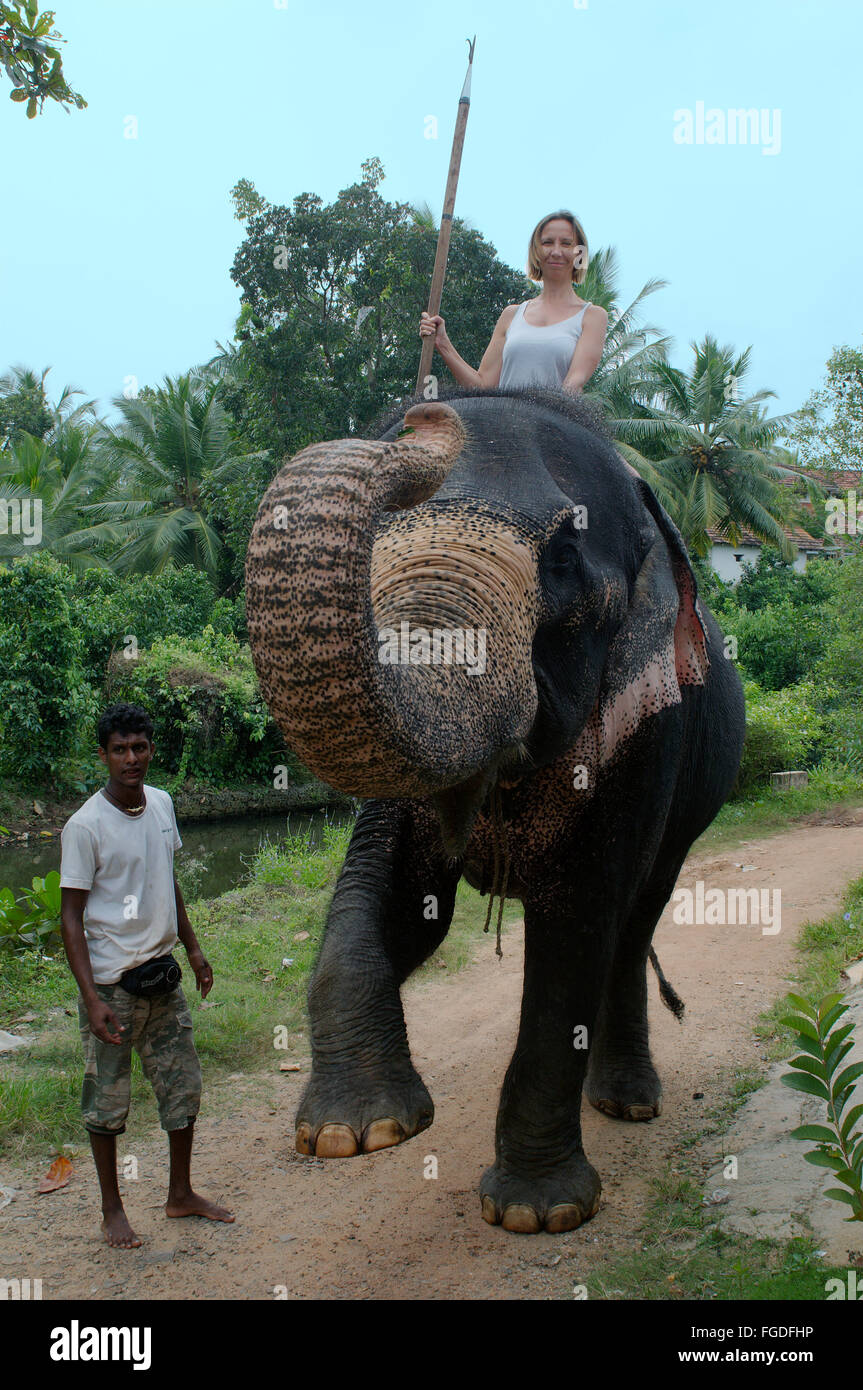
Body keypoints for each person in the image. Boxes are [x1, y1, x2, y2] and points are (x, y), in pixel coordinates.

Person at [59, 702, 233, 1249]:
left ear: (151, 749)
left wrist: (196, 948)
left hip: (163, 977)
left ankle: (180, 1194)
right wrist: (90, 997)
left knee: (183, 1090)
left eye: (140, 747)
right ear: (103, 755)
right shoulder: (85, 826)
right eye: (119, 749)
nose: (131, 759)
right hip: (113, 986)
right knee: (107, 1104)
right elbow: (70, 916)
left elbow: (169, 881)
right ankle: (113, 1210)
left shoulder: (161, 804)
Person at [419, 209, 608, 394]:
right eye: (548, 243)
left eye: (566, 244)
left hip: (553, 423)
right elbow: (482, 386)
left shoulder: (592, 317)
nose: (556, 251)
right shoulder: (512, 315)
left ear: (579, 254)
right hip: (501, 423)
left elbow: (572, 386)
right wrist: (442, 343)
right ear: (536, 251)